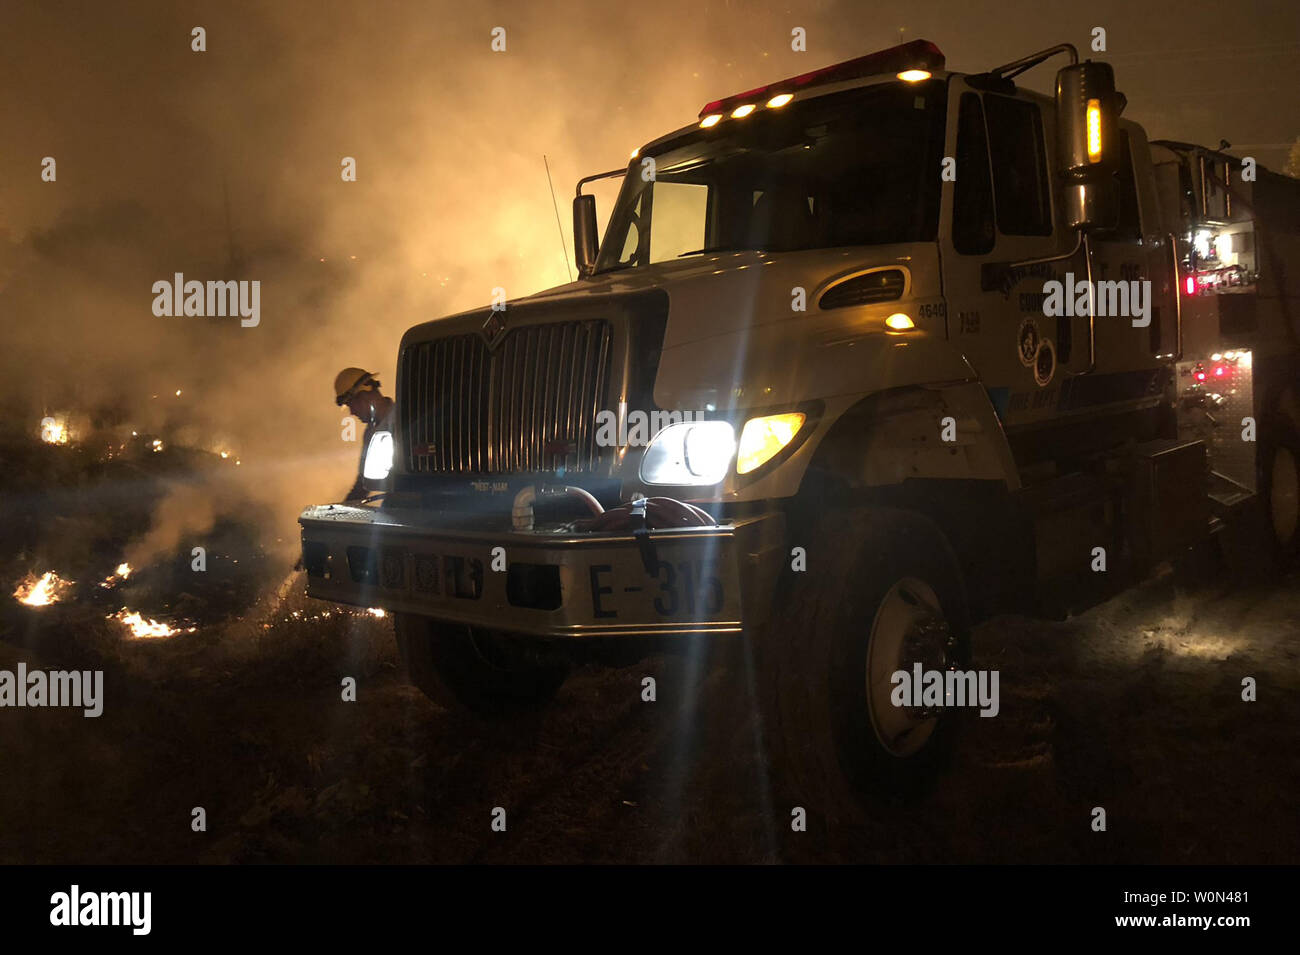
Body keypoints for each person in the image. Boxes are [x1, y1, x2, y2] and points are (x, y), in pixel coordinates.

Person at [334, 367, 395, 503]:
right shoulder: (370, 433)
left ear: (365, 394)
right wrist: (341, 511)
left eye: (351, 404)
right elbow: (363, 484)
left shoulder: (404, 421)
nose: (352, 412)